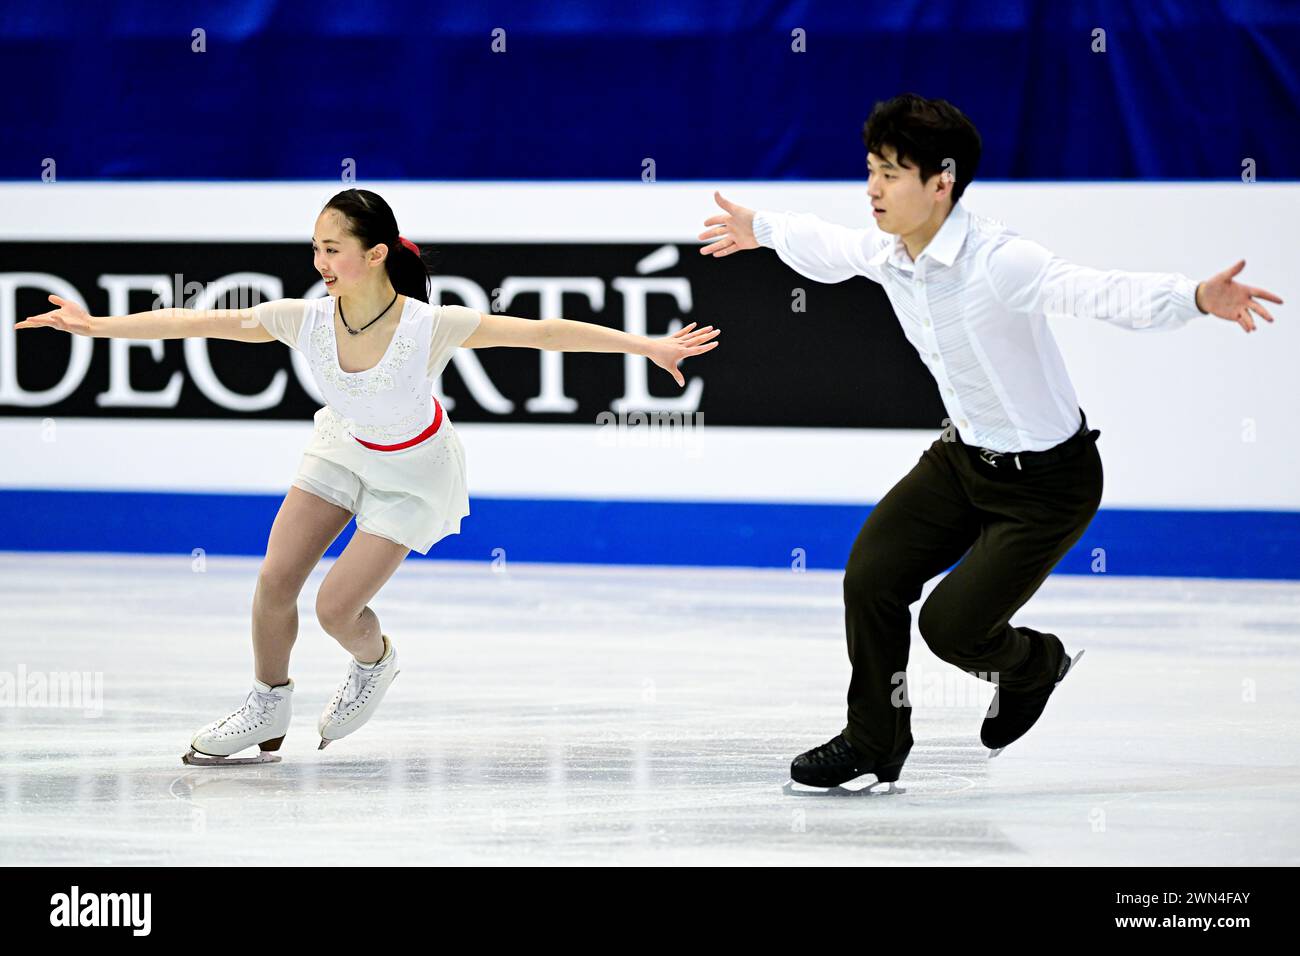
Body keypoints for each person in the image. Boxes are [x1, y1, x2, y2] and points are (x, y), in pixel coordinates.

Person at [698, 93, 1281, 794]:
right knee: (872, 578)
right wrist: (761, 228)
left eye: (890, 172)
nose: (872, 188)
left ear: (942, 181)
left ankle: (1033, 665)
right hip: (961, 461)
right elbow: (826, 246)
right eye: (871, 169)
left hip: (1048, 485)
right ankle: (874, 738)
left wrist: (1191, 297)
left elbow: (1097, 291)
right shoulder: (889, 251)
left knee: (952, 627)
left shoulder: (1001, 260)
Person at [18, 187, 720, 765]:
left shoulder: (429, 325)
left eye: (332, 249)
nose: (319, 262)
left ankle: (375, 661)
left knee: (334, 612)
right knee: (274, 579)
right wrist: (95, 326)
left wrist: (647, 346)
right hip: (342, 450)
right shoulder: (303, 318)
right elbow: (194, 322)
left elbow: (543, 332)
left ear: (375, 253)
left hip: (413, 475)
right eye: (315, 248)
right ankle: (268, 702)